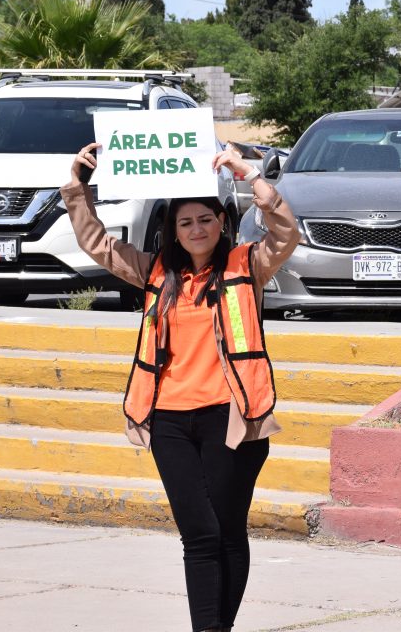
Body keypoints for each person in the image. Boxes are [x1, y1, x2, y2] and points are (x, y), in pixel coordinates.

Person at [61, 142, 300, 632]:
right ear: (173, 229)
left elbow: (285, 232)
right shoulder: (153, 272)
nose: (197, 230)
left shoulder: (245, 265)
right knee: (199, 532)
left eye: (206, 220)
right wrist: (78, 187)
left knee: (227, 531)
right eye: (185, 222)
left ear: (221, 223)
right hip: (168, 419)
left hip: (230, 418)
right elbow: (97, 243)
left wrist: (248, 173)